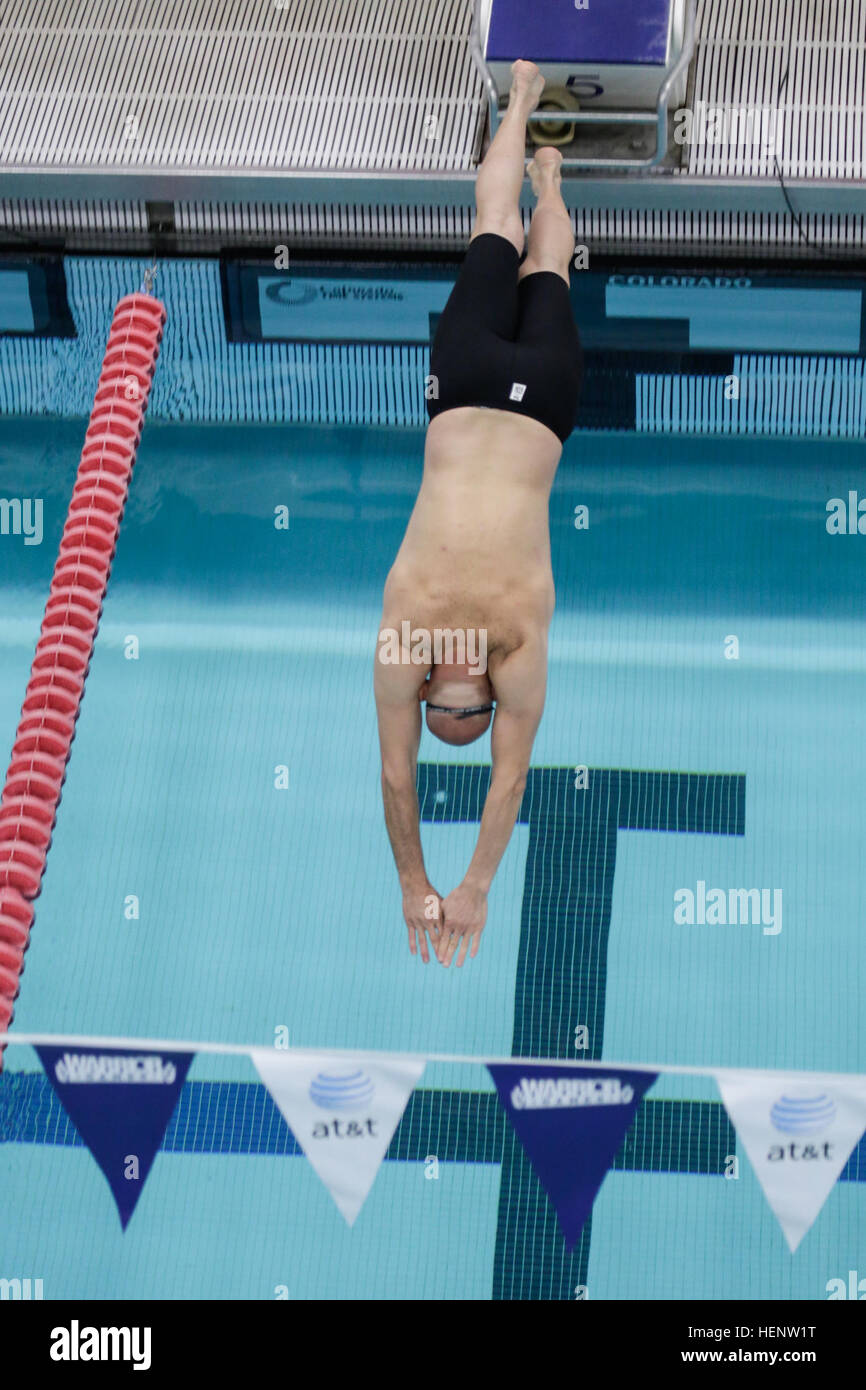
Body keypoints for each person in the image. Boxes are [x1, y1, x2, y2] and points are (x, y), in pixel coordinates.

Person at [374, 60, 583, 968]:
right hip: (463, 392)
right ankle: (527, 107)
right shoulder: (404, 629)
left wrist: (460, 887)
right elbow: (400, 773)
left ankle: (550, 173)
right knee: (494, 233)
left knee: (547, 267)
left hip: (539, 410)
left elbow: (497, 779)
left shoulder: (514, 647)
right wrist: (433, 886)